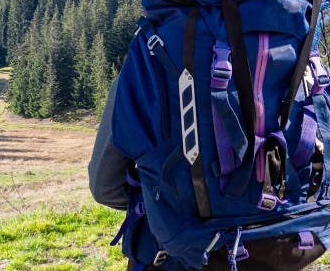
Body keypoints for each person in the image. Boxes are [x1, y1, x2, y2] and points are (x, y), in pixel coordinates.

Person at [89, 77, 325, 271]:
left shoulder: (152, 47)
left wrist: (160, 200)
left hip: (176, 255)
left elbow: (105, 187)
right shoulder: (294, 46)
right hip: (283, 245)